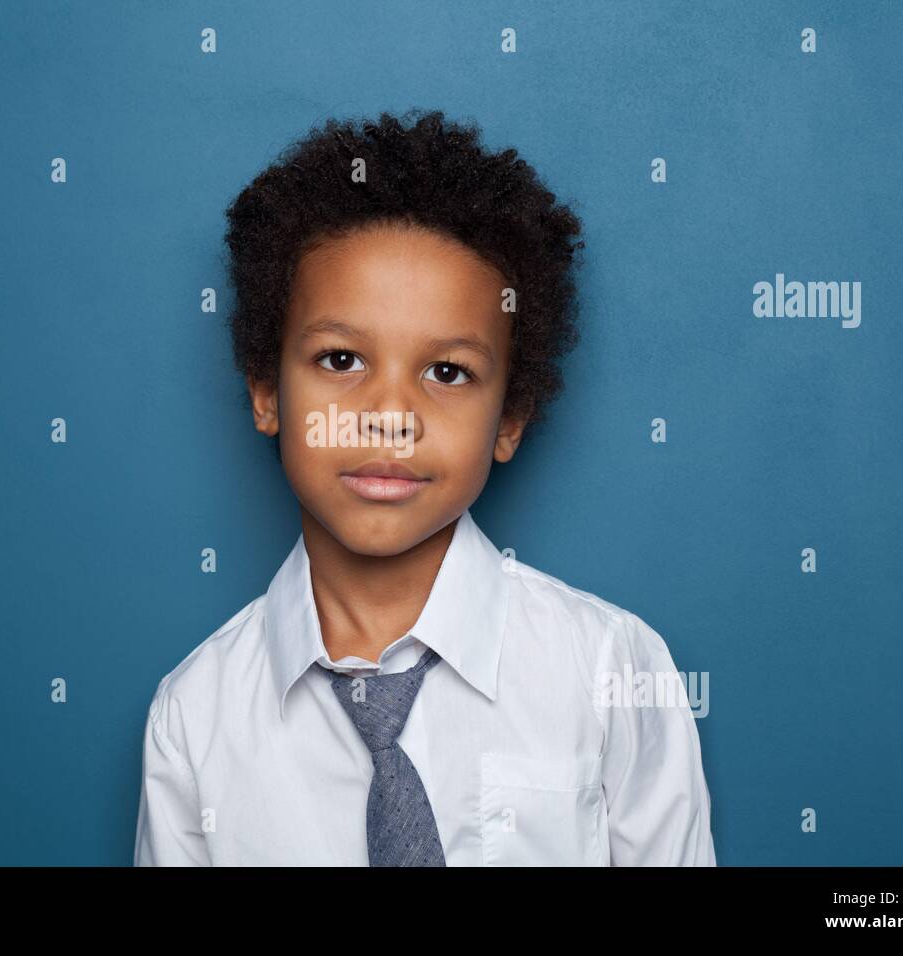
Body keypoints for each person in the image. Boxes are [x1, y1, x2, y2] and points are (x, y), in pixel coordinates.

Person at [134, 109, 716, 866]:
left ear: (509, 419)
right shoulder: (194, 717)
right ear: (266, 391)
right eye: (341, 360)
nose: (388, 419)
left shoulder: (613, 668)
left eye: (448, 372)